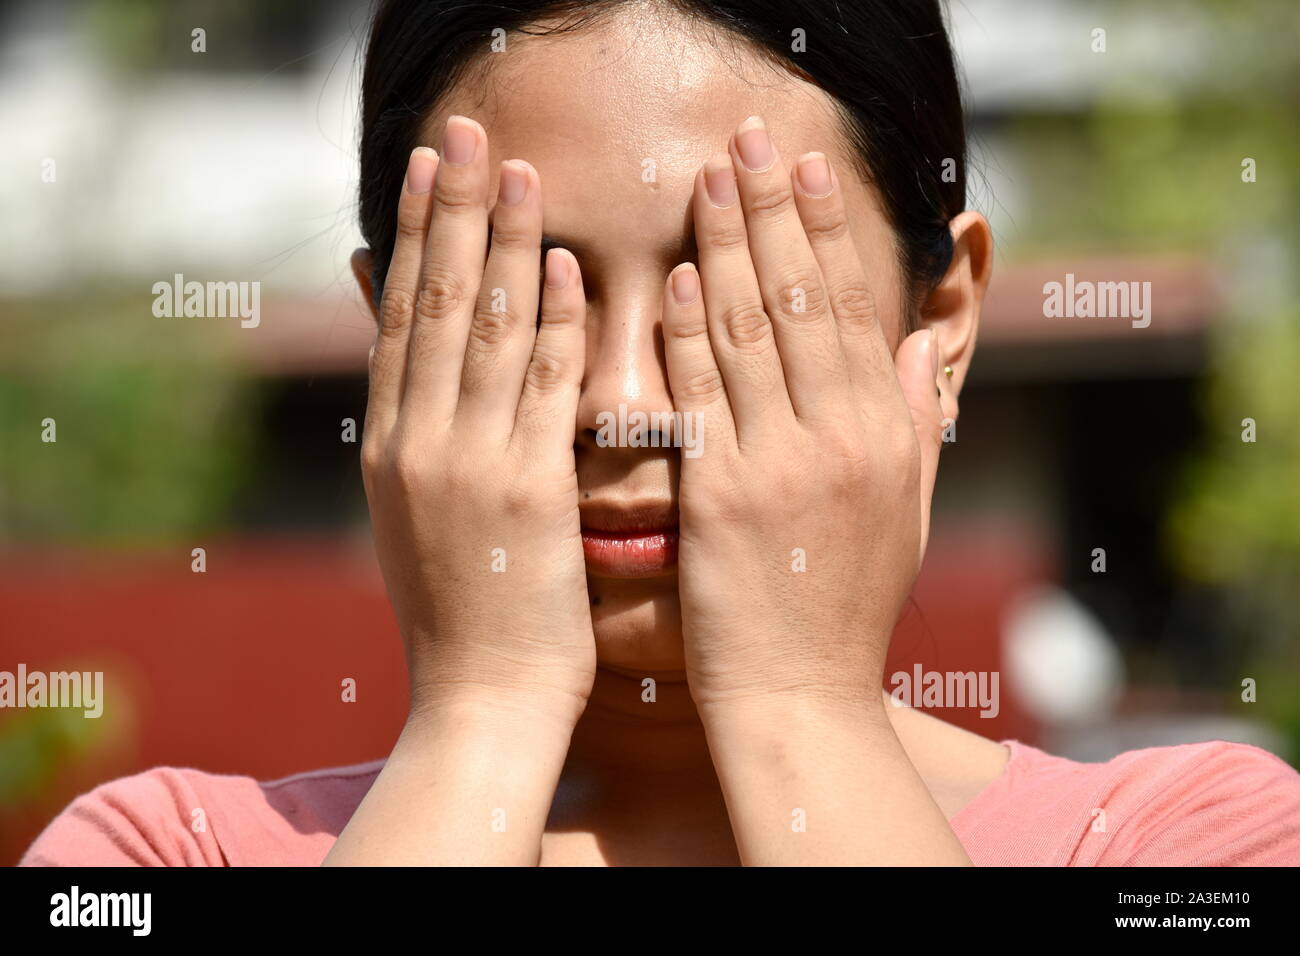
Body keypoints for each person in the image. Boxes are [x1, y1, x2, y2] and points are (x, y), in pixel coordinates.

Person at [22, 0, 1300, 866]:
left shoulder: (1181, 843)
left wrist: (801, 706)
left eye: (733, 289)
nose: (620, 398)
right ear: (391, 332)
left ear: (945, 319)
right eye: (529, 293)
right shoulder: (164, 852)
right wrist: (484, 709)